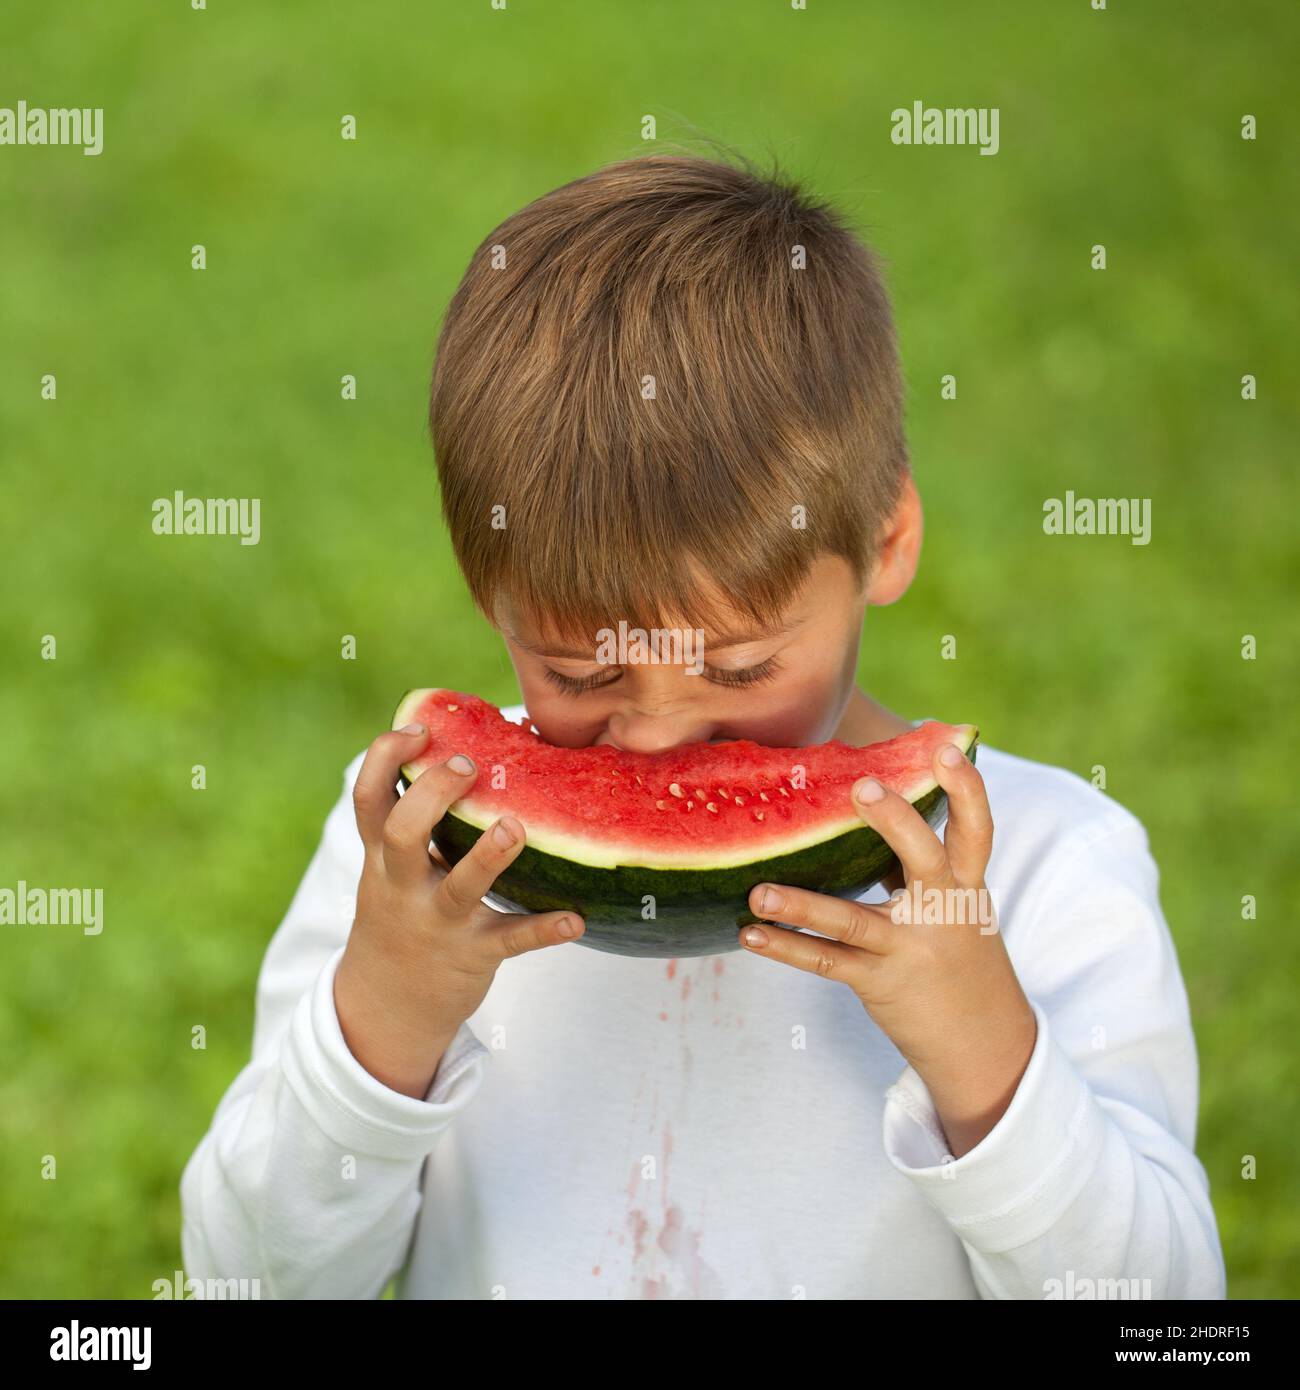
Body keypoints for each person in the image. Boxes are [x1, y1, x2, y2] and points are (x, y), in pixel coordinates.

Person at [180, 154, 1226, 1299]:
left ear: (883, 540)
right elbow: (254, 1279)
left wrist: (987, 1057)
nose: (657, 741)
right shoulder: (416, 854)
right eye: (579, 670)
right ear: (491, 598)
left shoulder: (1048, 869)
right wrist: (378, 1022)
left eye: (737, 665)